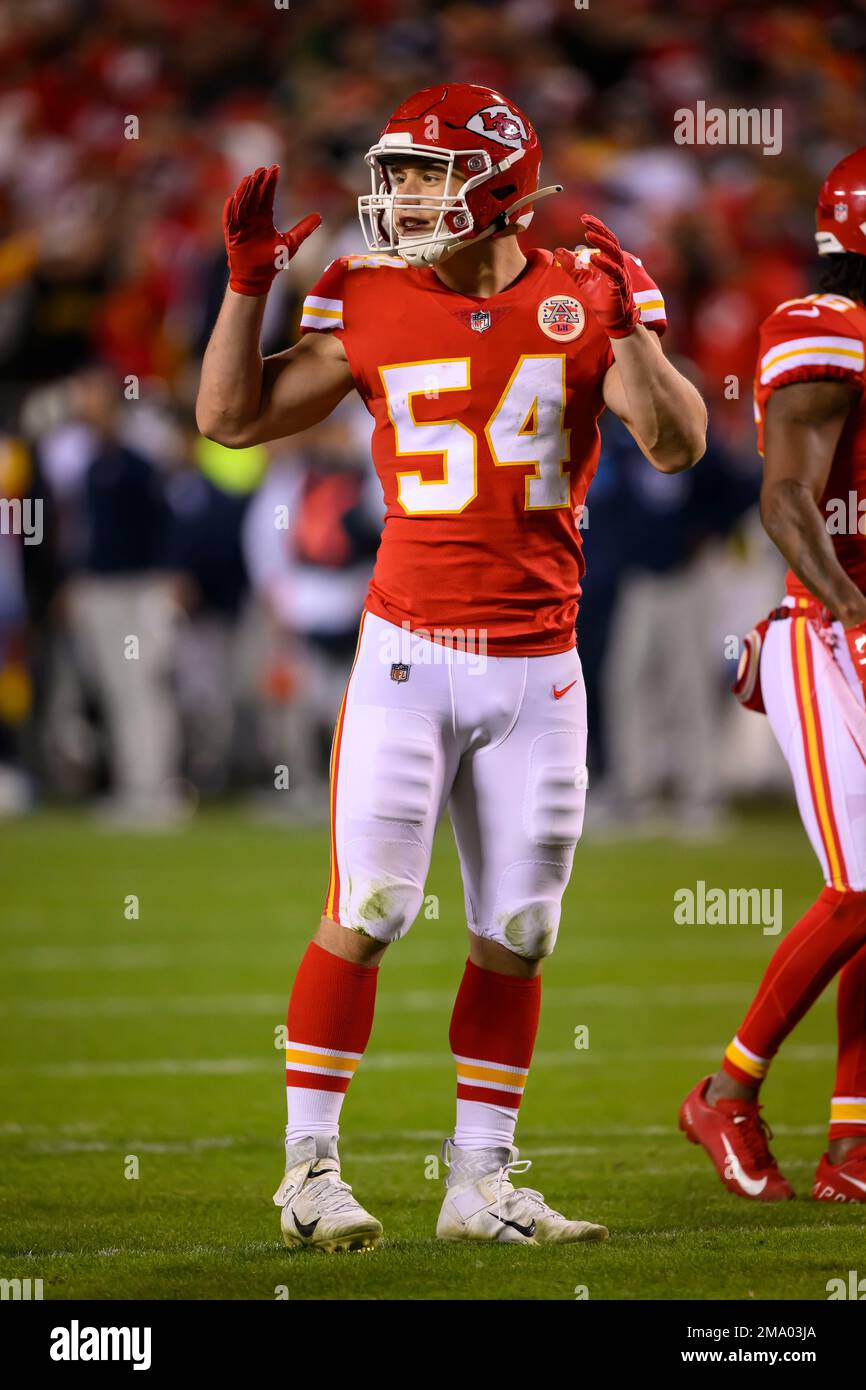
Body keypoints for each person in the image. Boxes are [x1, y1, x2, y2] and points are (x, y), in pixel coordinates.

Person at [197, 83, 706, 1251]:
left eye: (424, 173)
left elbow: (674, 444)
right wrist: (243, 290)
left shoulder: (587, 289)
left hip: (539, 664)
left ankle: (478, 1181)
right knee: (368, 906)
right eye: (401, 172)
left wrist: (626, 324)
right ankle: (307, 1172)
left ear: (493, 182)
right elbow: (229, 419)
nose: (401, 196)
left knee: (519, 931)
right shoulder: (366, 295)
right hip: (408, 654)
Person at [680, 148, 866, 1204]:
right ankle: (725, 1090)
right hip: (823, 628)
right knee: (858, 884)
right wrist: (844, 606)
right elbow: (786, 493)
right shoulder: (822, 325)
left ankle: (850, 1147)